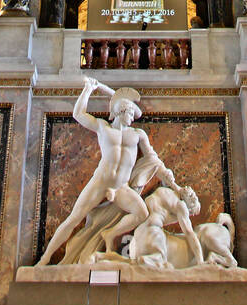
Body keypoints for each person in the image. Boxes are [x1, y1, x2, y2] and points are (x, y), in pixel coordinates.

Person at [36, 79, 176, 266]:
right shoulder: (103, 127)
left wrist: (169, 177)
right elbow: (78, 114)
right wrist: (88, 89)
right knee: (73, 219)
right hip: (100, 183)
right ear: (121, 111)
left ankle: (110, 233)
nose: (133, 118)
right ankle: (44, 259)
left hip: (121, 188)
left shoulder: (137, 135)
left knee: (142, 213)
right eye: (131, 114)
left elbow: (153, 159)